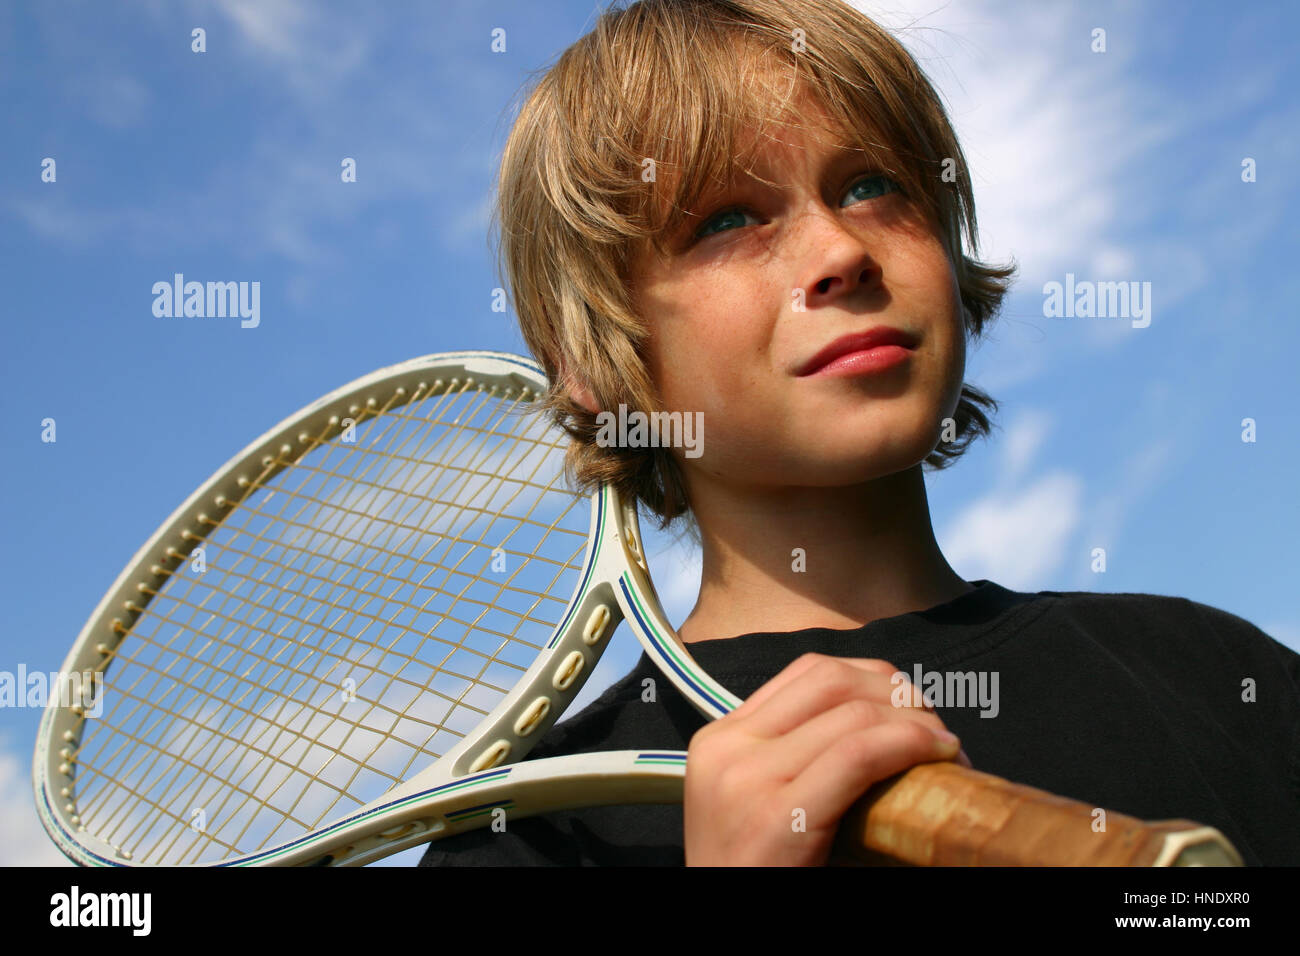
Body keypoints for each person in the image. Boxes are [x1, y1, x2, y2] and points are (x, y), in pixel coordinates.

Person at [420, 0, 1300, 866]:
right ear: (587, 356)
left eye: (872, 187)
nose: (841, 250)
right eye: (726, 220)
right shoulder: (537, 835)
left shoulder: (1217, 673)